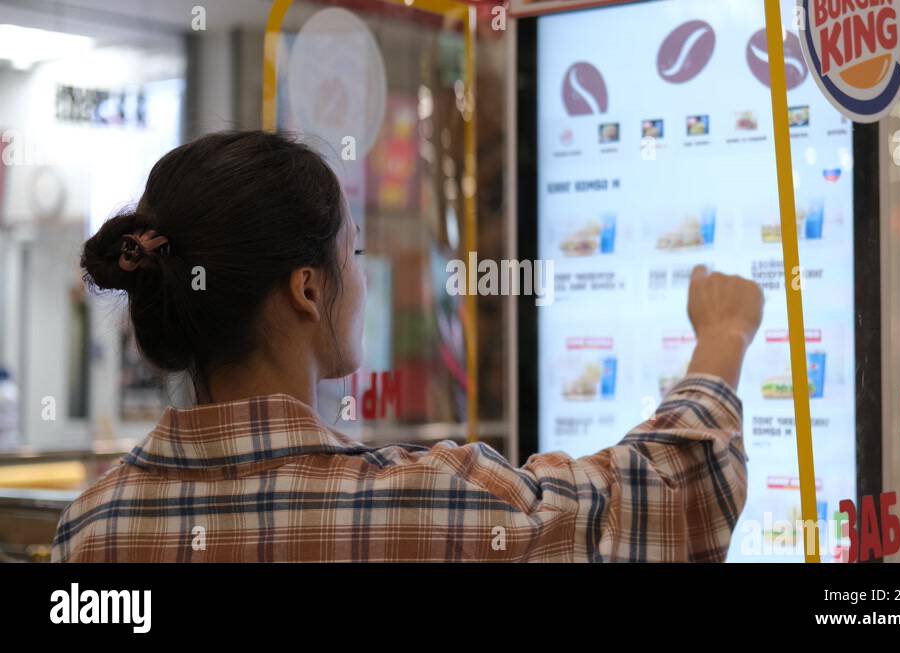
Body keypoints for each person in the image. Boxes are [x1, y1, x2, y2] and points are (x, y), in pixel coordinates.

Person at [52, 131, 763, 562]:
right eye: (353, 251)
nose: (360, 277)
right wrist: (724, 336)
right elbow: (680, 501)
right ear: (307, 289)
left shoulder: (92, 526)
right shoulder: (430, 505)